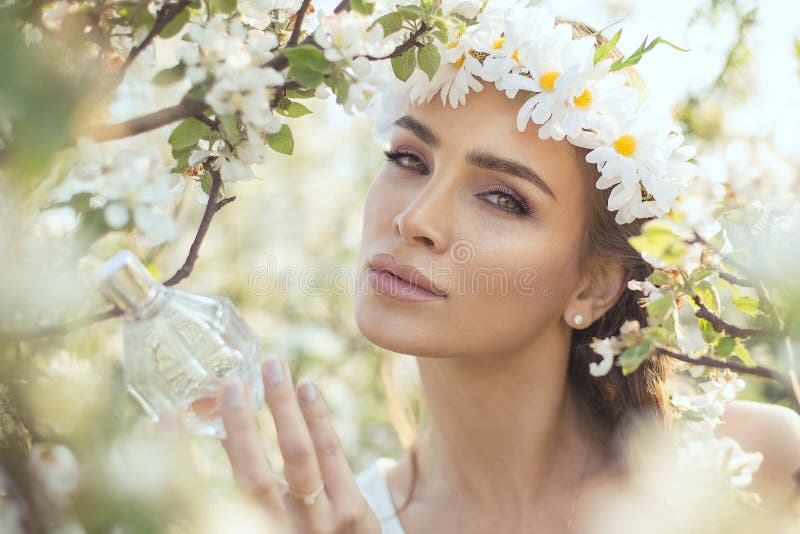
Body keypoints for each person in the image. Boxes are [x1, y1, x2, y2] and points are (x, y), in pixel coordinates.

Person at [159, 5, 800, 534]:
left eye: (503, 198)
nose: (415, 219)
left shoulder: (749, 463)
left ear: (594, 285)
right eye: (409, 158)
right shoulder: (343, 521)